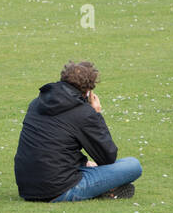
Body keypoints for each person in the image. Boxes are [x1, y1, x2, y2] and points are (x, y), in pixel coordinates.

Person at [14, 61, 142, 203]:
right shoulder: (83, 113)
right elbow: (107, 157)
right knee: (133, 165)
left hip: (27, 187)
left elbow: (55, 144)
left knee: (91, 167)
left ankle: (103, 187)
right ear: (88, 91)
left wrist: (84, 162)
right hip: (58, 190)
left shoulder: (36, 103)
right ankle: (104, 189)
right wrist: (96, 114)